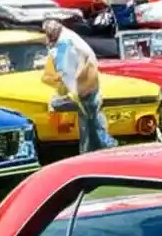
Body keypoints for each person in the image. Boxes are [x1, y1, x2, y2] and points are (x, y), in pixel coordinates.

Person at [41, 19, 116, 154]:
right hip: (91, 84)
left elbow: (66, 71)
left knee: (91, 124)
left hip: (85, 88)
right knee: (92, 122)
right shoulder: (70, 37)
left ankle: (103, 150)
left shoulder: (64, 43)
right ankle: (100, 151)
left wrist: (64, 92)